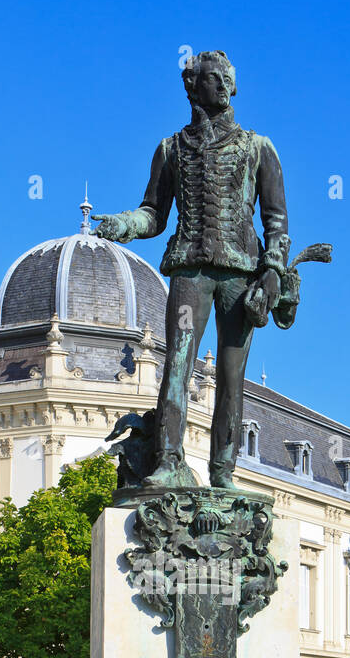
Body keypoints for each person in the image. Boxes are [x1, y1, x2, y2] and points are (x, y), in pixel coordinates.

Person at [93, 50, 291, 490]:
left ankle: (223, 471)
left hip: (241, 277)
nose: (225, 86)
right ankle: (168, 461)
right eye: (215, 79)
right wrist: (125, 224)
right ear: (192, 86)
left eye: (228, 79)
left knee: (231, 377)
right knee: (178, 366)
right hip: (190, 272)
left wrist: (273, 271)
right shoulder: (170, 149)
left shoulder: (258, 148)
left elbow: (276, 222)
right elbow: (153, 213)